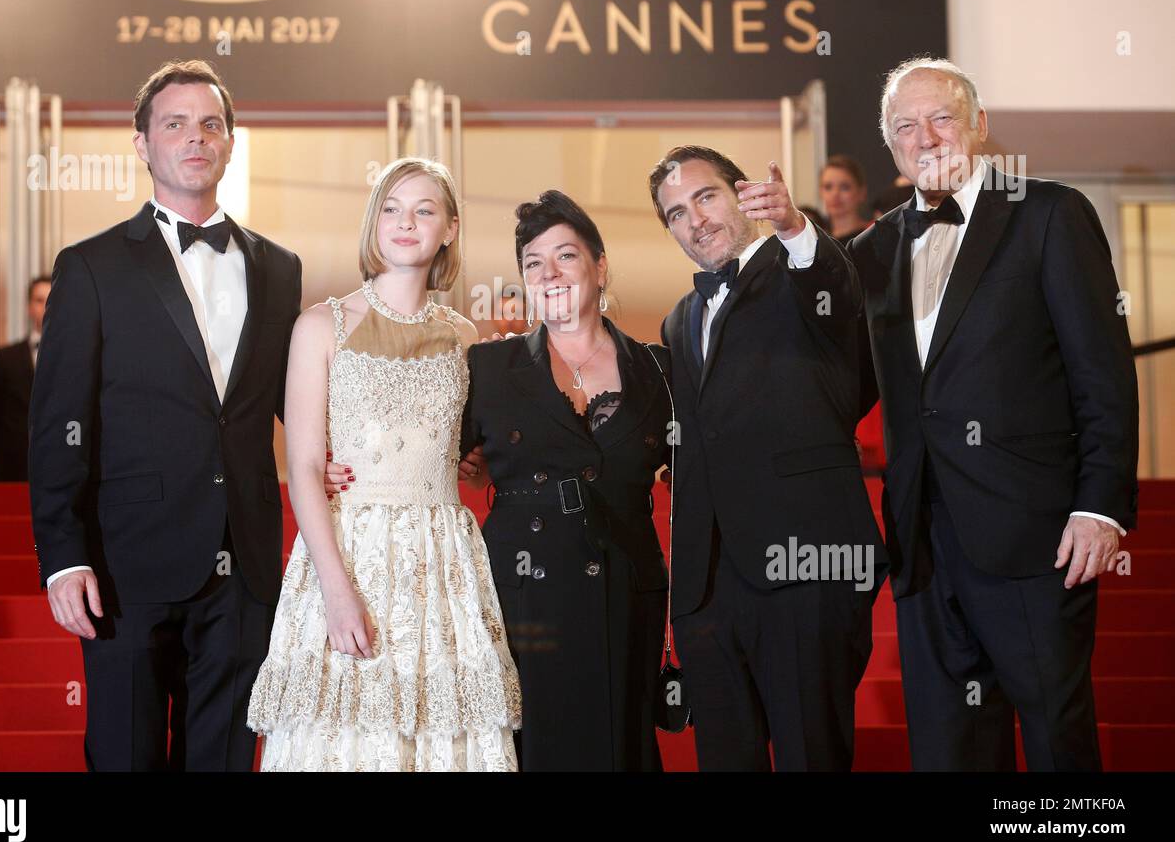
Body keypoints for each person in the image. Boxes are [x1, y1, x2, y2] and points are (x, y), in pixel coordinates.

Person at [850, 57, 1138, 771]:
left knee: (1055, 738)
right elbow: (846, 384)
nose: (925, 137)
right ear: (890, 145)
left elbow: (1101, 373)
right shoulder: (872, 249)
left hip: (1036, 536)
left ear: (979, 126)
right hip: (922, 538)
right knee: (947, 746)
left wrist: (1100, 508)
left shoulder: (1049, 213)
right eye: (904, 127)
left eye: (941, 117)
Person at [29, 60, 303, 771]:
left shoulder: (280, 269)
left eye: (210, 124)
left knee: (225, 757)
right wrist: (63, 558)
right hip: (127, 563)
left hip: (243, 562)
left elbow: (294, 401)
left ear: (230, 144)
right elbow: (59, 422)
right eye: (174, 124)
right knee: (126, 754)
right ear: (143, 144)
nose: (194, 137)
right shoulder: (90, 267)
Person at [246, 157, 521, 771]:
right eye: (392, 209)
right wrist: (338, 593)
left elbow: (467, 458)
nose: (406, 222)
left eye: (425, 210)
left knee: (440, 741)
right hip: (350, 554)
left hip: (442, 564)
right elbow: (305, 471)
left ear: (449, 228)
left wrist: (474, 461)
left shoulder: (464, 335)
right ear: (374, 224)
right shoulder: (322, 325)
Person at [651, 145, 885, 771]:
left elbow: (834, 284)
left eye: (706, 197)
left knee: (814, 757)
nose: (694, 219)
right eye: (675, 213)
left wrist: (794, 228)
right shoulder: (679, 320)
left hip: (807, 570)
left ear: (741, 194)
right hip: (708, 591)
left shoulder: (800, 271)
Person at [456, 189, 672, 771]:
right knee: (536, 744)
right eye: (533, 264)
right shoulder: (488, 368)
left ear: (600, 267)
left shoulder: (658, 367)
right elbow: (435, 457)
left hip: (627, 588)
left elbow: (695, 474)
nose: (549, 274)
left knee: (619, 742)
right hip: (525, 588)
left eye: (566, 256)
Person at [0, 275, 50, 481]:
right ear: (29, 307)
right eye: (39, 299)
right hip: (13, 469)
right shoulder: (4, 358)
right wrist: (2, 457)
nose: (46, 305)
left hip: (68, 471)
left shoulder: (81, 357)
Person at [819, 154, 870, 244]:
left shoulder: (873, 237)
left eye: (844, 187)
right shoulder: (817, 241)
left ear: (862, 192)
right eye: (828, 187)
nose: (835, 194)